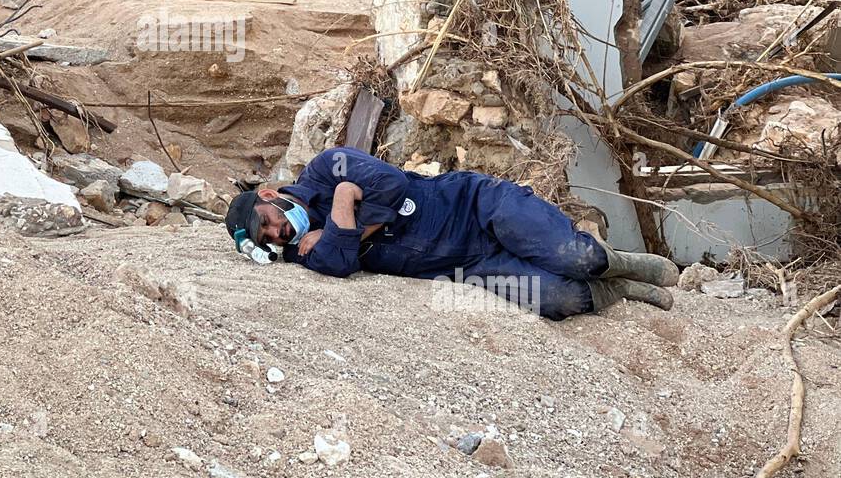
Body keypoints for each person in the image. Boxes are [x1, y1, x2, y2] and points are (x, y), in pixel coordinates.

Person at [225, 147, 678, 320]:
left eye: (267, 219)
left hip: (477, 207)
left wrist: (342, 206)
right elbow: (340, 265)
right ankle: (622, 289)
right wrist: (353, 205)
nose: (277, 232)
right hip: (469, 266)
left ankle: (618, 263)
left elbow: (394, 183)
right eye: (268, 238)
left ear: (270, 193)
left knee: (573, 258)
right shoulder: (303, 253)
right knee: (563, 300)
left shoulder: (329, 169)